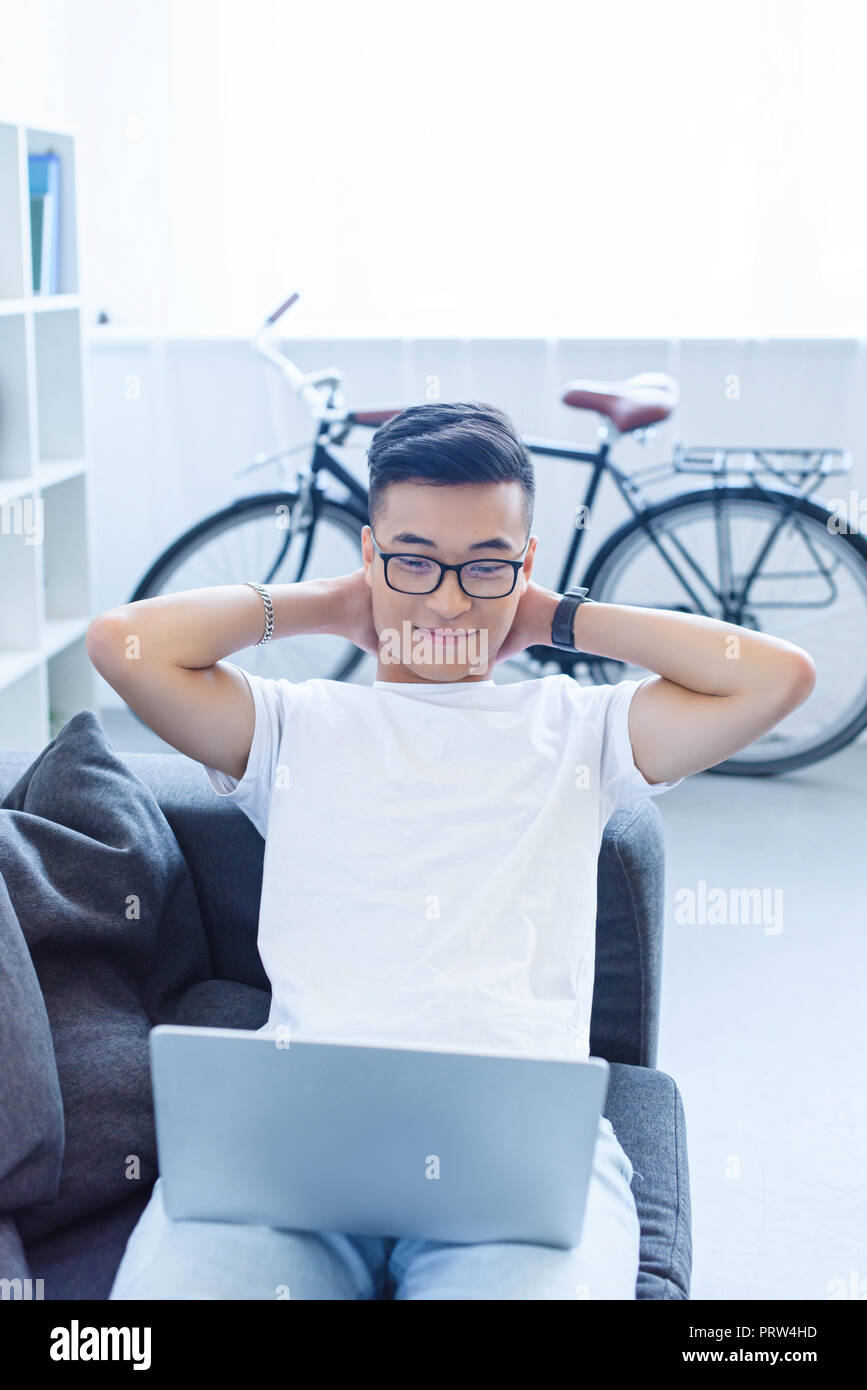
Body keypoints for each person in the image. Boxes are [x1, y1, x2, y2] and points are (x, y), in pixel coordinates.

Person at [87, 401, 816, 1300]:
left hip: (520, 1152)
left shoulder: (581, 726)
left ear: (526, 565)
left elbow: (777, 674)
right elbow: (121, 645)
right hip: (298, 1141)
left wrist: (554, 618)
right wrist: (334, 606)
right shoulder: (293, 723)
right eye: (414, 559)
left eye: (484, 565)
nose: (446, 598)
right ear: (368, 552)